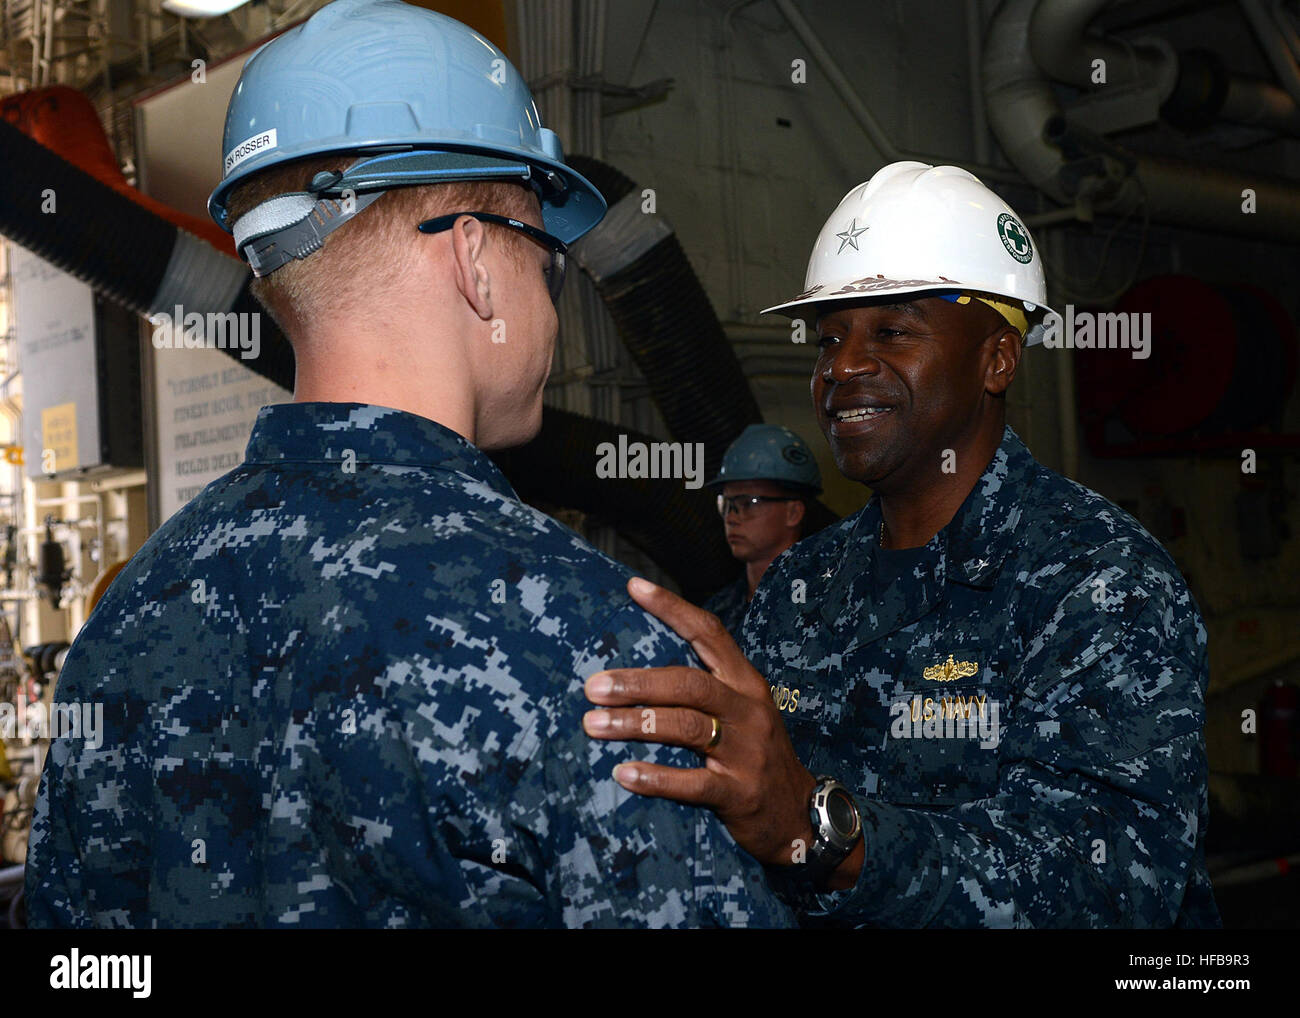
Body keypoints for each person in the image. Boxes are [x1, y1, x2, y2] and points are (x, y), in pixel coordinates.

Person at [23, 0, 792, 929]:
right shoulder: (610, 666)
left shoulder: (123, 628)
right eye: (545, 256)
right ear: (474, 259)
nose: (552, 306)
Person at [582, 161, 1219, 928]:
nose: (842, 367)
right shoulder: (801, 584)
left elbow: (1114, 890)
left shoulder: (1096, 579)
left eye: (892, 330)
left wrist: (818, 830)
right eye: (830, 338)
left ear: (996, 359)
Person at [703, 424, 822, 640]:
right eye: (727, 504)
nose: (731, 517)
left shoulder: (825, 603)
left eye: (748, 502)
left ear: (793, 513)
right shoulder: (716, 613)